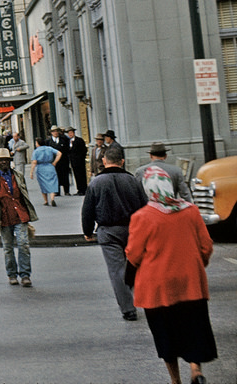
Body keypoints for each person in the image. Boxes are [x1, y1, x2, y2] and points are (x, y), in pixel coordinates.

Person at [126, 166, 216, 384]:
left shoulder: (142, 216)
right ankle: (196, 370)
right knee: (194, 327)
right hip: (190, 283)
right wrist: (197, 265)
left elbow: (134, 254)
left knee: (166, 335)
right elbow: (206, 245)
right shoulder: (191, 211)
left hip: (157, 287)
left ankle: (176, 381)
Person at [81, 147, 147, 321]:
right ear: (122, 161)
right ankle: (146, 299)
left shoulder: (96, 182)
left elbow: (87, 210)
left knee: (117, 270)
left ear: (104, 161)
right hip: (133, 229)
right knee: (137, 265)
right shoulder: (132, 181)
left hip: (108, 231)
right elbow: (144, 205)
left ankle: (128, 309)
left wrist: (87, 231)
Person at [0, 149, 38, 287]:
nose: (3, 162)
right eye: (1, 160)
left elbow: (23, 195)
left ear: (9, 161)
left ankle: (25, 274)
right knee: (8, 248)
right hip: (4, 218)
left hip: (20, 215)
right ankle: (12, 274)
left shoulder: (18, 176)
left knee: (23, 244)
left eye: (6, 160)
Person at [30, 138, 62, 206]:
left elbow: (34, 162)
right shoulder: (49, 148)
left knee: (43, 184)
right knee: (52, 182)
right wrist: (55, 162)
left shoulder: (36, 151)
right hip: (50, 166)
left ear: (38, 143)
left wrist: (31, 172)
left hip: (41, 168)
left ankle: (46, 200)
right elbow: (59, 153)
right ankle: (52, 198)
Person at [48, 125, 72, 196]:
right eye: (53, 131)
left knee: (65, 175)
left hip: (64, 160)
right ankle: (57, 191)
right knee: (55, 176)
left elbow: (67, 149)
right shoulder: (49, 141)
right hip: (54, 161)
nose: (55, 133)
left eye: (56, 131)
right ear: (51, 133)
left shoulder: (64, 139)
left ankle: (66, 191)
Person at [65, 126, 89, 195]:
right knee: (76, 175)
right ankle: (79, 189)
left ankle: (83, 189)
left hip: (80, 161)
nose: (70, 134)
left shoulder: (79, 140)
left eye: (71, 133)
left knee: (81, 175)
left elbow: (84, 150)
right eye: (69, 133)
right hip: (73, 162)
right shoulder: (68, 141)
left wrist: (81, 158)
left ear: (74, 133)